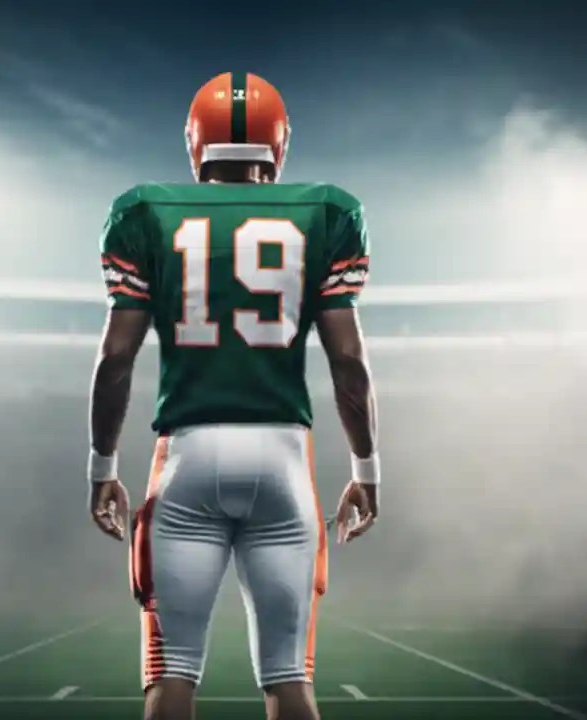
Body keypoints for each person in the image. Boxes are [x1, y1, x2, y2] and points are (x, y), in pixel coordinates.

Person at [85, 71, 381, 720]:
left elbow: (115, 359)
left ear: (195, 143)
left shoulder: (147, 213)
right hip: (283, 465)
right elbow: (349, 363)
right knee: (289, 681)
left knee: (171, 677)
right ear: (278, 146)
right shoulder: (326, 213)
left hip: (185, 462)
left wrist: (102, 468)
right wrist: (367, 473)